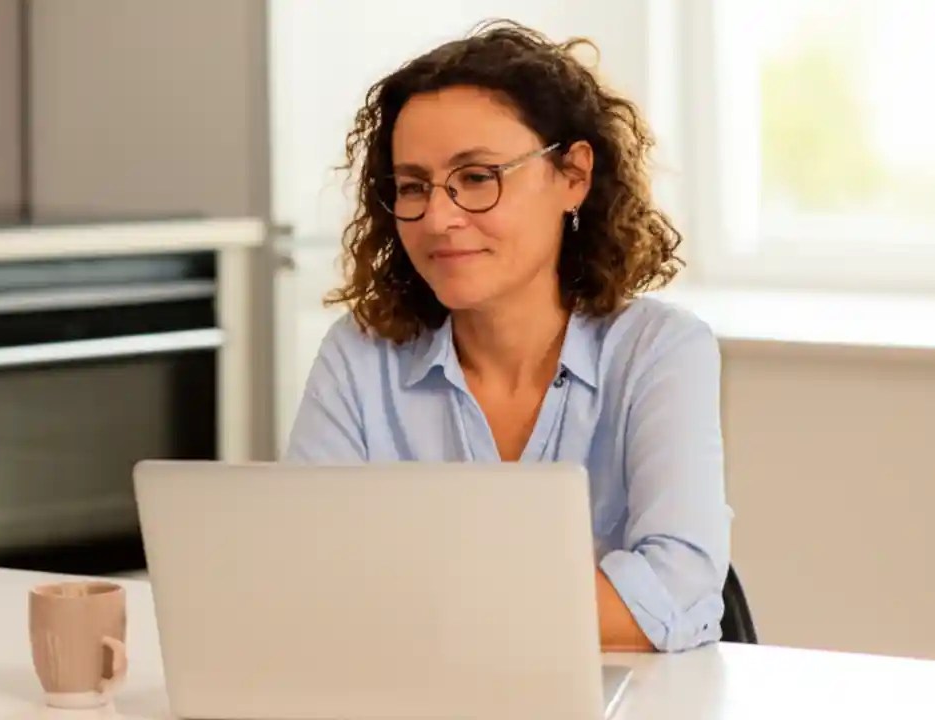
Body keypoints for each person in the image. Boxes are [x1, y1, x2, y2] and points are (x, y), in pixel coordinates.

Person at [284, 19, 731, 653]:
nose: (439, 217)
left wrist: (411, 608)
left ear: (573, 176)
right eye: (413, 186)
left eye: (476, 177)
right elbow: (301, 578)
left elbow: (677, 593)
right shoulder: (359, 355)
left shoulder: (660, 351)